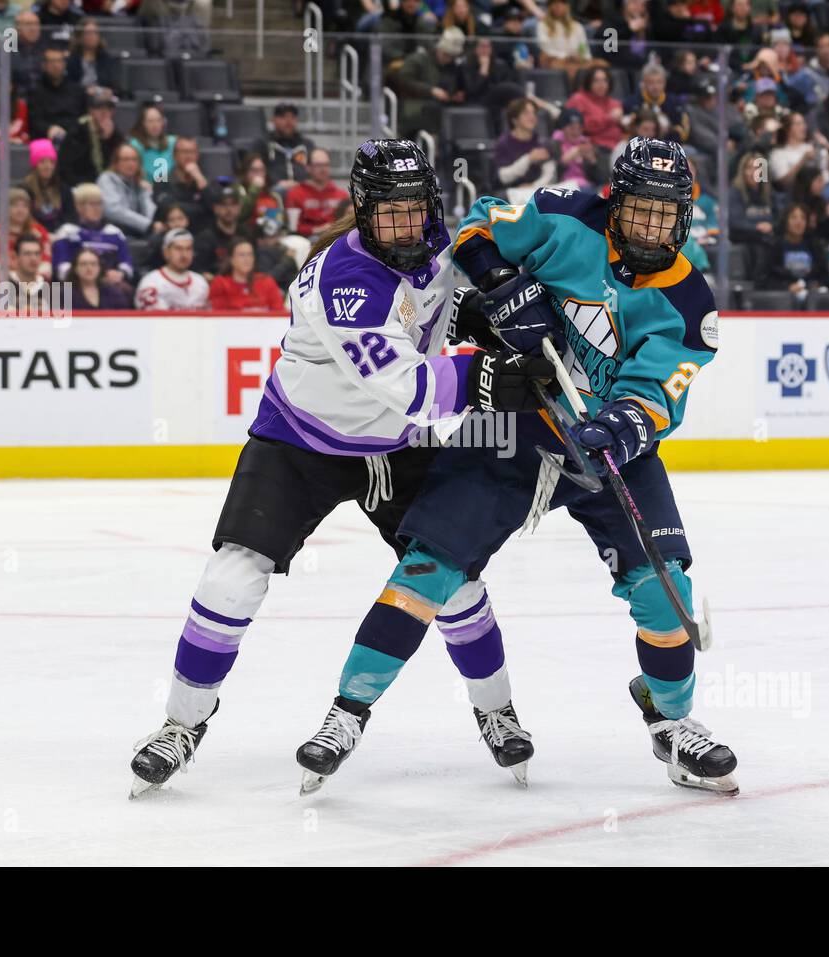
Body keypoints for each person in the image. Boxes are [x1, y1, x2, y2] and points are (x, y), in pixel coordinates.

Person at [293, 137, 738, 796]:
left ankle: (672, 720)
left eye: (664, 216)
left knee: (662, 589)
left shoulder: (689, 304)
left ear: (683, 218)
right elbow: (479, 222)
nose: (650, 228)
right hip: (513, 425)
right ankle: (346, 712)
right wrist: (501, 283)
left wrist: (622, 422)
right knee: (426, 570)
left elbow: (659, 394)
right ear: (615, 204)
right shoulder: (564, 215)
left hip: (607, 447)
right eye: (639, 211)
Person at [128, 139, 552, 798]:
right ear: (362, 211)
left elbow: (437, 304)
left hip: (396, 445)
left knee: (453, 581)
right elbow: (412, 386)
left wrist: (484, 309)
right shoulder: (343, 280)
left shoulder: (436, 245)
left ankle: (496, 709)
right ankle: (182, 721)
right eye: (388, 214)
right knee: (232, 578)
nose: (403, 226)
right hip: (301, 441)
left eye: (414, 210)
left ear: (431, 206)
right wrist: (489, 373)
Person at [51, 182, 133, 288]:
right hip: (76, 285)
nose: (96, 208)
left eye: (99, 204)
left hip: (110, 284)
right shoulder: (67, 232)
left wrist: (120, 274)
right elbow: (61, 266)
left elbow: (127, 263)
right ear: (78, 207)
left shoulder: (115, 232)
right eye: (91, 204)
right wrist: (90, 278)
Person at [493, 97, 558, 204]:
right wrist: (528, 159)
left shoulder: (542, 142)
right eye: (526, 113)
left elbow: (549, 174)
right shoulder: (503, 143)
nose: (532, 117)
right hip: (512, 191)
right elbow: (503, 177)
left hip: (537, 189)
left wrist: (533, 186)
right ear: (514, 120)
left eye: (533, 113)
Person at [57, 90, 125, 187]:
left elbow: (119, 165)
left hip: (109, 186)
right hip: (81, 186)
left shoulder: (116, 135)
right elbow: (66, 170)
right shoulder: (78, 132)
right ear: (91, 111)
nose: (104, 112)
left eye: (108, 108)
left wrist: (108, 140)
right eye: (99, 108)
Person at [0, 186, 53, 277]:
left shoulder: (39, 232)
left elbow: (45, 263)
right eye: (15, 205)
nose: (21, 210)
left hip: (33, 279)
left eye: (25, 206)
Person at [133, 228, 209, 310]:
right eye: (178, 249)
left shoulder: (201, 282)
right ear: (166, 252)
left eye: (188, 249)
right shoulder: (151, 282)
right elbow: (154, 320)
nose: (184, 255)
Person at [283, 148, 349, 238]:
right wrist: (317, 229)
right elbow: (293, 227)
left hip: (334, 238)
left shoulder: (342, 195)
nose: (323, 169)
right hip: (306, 240)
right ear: (308, 167)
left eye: (326, 165)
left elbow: (347, 223)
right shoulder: (295, 194)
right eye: (318, 165)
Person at [249, 103, 313, 192]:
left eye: (292, 117)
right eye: (283, 117)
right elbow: (256, 171)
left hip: (303, 191)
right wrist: (276, 183)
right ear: (273, 120)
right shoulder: (263, 144)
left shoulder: (307, 145)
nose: (288, 121)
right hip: (273, 190)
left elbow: (314, 171)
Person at [28, 46, 87, 141]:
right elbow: (35, 121)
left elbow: (84, 117)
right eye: (51, 61)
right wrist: (49, 129)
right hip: (47, 138)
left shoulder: (77, 90)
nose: (56, 65)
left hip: (75, 137)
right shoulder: (36, 92)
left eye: (59, 61)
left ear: (64, 64)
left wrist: (74, 130)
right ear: (44, 65)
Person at [207, 238, 283, 310]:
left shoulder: (267, 282)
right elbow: (215, 315)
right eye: (242, 255)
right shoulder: (220, 283)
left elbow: (279, 313)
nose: (247, 259)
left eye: (250, 254)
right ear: (231, 259)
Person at [98, 142, 157, 237]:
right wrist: (148, 224)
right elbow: (113, 210)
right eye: (125, 160)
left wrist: (145, 193)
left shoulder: (139, 183)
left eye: (134, 160)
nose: (131, 163)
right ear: (116, 163)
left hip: (139, 232)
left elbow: (150, 211)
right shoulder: (107, 179)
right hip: (115, 231)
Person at [565, 66, 626, 152]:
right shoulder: (578, 99)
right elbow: (579, 127)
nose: (601, 84)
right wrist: (609, 118)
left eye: (605, 80)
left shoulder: (614, 103)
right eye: (596, 81)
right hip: (593, 147)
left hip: (618, 146)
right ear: (588, 82)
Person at [192, 183, 248, 276]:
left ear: (239, 208)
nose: (229, 209)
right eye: (224, 205)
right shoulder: (205, 237)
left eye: (233, 205)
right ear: (215, 208)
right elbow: (198, 269)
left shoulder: (246, 233)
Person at [20, 138, 73, 233]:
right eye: (42, 162)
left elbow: (70, 218)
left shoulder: (63, 189)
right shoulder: (24, 190)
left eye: (52, 162)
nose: (48, 166)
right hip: (32, 235)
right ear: (35, 165)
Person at [128, 104, 175, 186]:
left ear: (163, 123)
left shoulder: (173, 142)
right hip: (144, 188)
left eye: (158, 120)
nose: (155, 125)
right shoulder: (135, 145)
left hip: (170, 189)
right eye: (150, 121)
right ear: (143, 123)